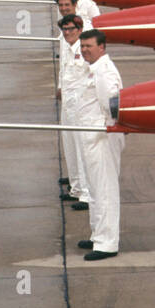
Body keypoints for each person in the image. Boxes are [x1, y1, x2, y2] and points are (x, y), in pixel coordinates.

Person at [72, 29, 124, 260]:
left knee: (104, 189)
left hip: (101, 138)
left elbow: (111, 105)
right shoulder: (92, 69)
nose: (84, 50)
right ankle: (98, 236)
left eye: (89, 46)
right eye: (82, 47)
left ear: (101, 47)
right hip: (90, 137)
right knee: (94, 189)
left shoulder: (104, 72)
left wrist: (106, 134)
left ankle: (107, 243)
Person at [55, 12, 92, 210]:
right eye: (65, 29)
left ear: (79, 30)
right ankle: (76, 188)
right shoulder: (69, 49)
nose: (67, 33)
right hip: (68, 106)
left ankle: (86, 194)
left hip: (81, 108)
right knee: (70, 147)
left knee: (82, 150)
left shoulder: (84, 50)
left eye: (71, 29)